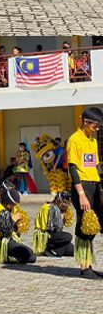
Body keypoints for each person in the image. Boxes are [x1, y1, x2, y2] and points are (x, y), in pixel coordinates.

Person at [67, 107, 102, 277]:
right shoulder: (74, 140)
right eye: (95, 126)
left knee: (94, 224)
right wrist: (81, 193)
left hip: (94, 184)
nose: (97, 129)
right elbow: (73, 168)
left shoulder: (93, 141)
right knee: (84, 223)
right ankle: (84, 266)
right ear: (86, 122)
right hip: (82, 186)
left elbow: (95, 166)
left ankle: (89, 264)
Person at [0, 188, 37, 264]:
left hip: (8, 240)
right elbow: (4, 232)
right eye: (13, 203)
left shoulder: (4, 208)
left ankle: (14, 256)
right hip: (3, 242)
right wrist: (13, 220)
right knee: (31, 256)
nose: (14, 206)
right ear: (8, 201)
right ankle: (9, 255)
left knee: (30, 252)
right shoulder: (2, 211)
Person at [34, 192, 75, 257]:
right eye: (64, 203)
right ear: (58, 200)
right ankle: (48, 249)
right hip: (46, 235)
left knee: (74, 251)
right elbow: (48, 228)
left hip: (55, 235)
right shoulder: (48, 208)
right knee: (68, 236)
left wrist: (63, 219)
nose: (66, 206)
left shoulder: (59, 209)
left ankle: (56, 250)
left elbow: (59, 228)